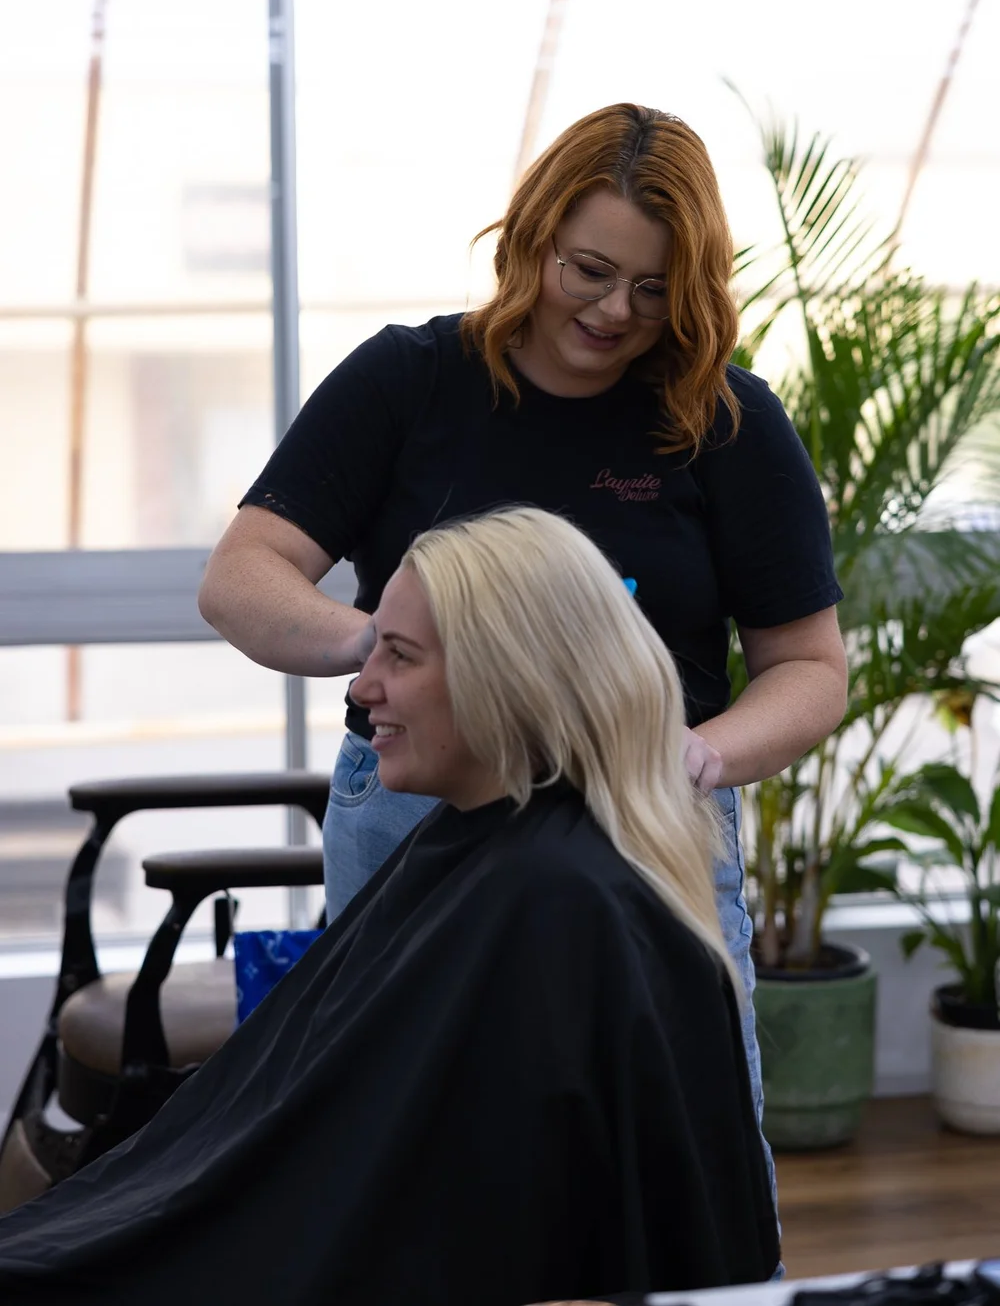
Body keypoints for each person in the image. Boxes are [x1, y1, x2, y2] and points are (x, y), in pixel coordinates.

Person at [198, 102, 848, 1184]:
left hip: (649, 814)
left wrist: (696, 756)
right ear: (533, 237)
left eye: (654, 289)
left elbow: (810, 669)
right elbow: (241, 580)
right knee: (402, 1151)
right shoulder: (411, 381)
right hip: (413, 810)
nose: (615, 309)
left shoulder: (723, 421)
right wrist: (408, 651)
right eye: (590, 269)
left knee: (685, 1147)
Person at [0, 509, 780, 1306]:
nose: (363, 686)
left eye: (399, 656)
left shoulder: (561, 905)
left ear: (507, 674)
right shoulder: (495, 846)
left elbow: (467, 1225)